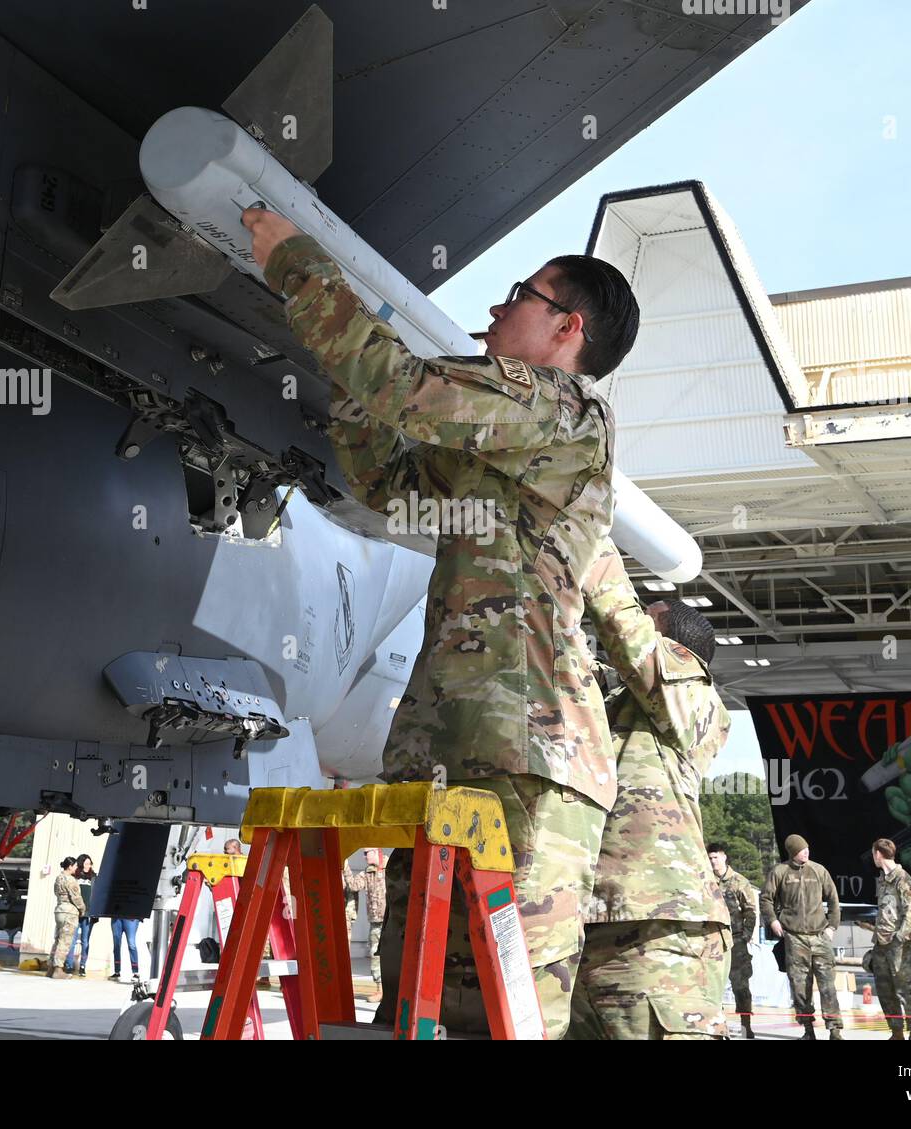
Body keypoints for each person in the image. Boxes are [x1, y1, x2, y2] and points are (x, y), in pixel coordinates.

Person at [242, 208, 639, 1039]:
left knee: (507, 1011)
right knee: (415, 1008)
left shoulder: (565, 412)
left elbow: (408, 389)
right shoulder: (498, 443)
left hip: (530, 757)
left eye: (517, 297)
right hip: (449, 752)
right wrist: (355, 378)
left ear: (568, 328)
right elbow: (386, 478)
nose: (495, 311)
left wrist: (297, 264)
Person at [569, 545, 732, 1040]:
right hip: (585, 919)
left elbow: (631, 639)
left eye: (649, 620)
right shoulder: (614, 704)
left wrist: (589, 542)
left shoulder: (693, 697)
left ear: (677, 648)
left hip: (660, 929)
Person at [760, 835, 844, 1039]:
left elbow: (833, 899)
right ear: (791, 852)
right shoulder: (780, 872)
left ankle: (834, 1029)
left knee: (827, 985)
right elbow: (765, 899)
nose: (806, 852)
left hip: (819, 936)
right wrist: (773, 920)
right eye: (801, 850)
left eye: (806, 848)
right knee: (799, 986)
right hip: (794, 938)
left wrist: (832, 926)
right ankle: (808, 1029)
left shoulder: (818, 870)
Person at [869, 837, 911, 1040]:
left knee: (906, 990)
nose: (873, 858)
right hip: (881, 944)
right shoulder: (883, 880)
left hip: (898, 945)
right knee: (885, 991)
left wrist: (901, 939)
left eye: (873, 853)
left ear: (878, 854)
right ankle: (896, 1031)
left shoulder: (903, 878)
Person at [708, 843, 759, 1039]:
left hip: (736, 941)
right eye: (710, 858)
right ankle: (719, 1030)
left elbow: (750, 911)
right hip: (713, 941)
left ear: (724, 857)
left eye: (716, 857)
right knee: (714, 986)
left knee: (741, 987)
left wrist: (746, 935)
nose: (713, 861)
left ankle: (746, 1028)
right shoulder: (706, 881)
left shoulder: (739, 881)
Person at [344, 851, 389, 1002]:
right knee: (375, 955)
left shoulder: (390, 868)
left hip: (392, 920)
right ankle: (380, 990)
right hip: (376, 922)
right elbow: (353, 885)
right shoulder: (367, 872)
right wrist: (345, 867)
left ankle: (393, 990)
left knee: (395, 955)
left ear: (376, 851)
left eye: (366, 853)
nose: (364, 857)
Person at [49, 857, 85, 980]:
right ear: (70, 866)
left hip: (59, 909)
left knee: (58, 940)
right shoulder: (70, 880)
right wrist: (82, 909)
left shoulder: (58, 878)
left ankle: (51, 968)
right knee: (65, 941)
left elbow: (56, 892)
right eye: (75, 866)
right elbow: (76, 897)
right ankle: (58, 969)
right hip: (69, 912)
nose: (76, 868)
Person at [64, 854, 98, 977]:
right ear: (81, 864)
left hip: (88, 914)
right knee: (72, 940)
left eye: (90, 863)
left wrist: (96, 913)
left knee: (85, 941)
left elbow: (97, 895)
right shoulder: (75, 876)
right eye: (86, 863)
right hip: (75, 912)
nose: (88, 866)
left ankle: (83, 965)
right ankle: (69, 965)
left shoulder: (94, 877)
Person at [110, 915, 142, 983]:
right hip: (116, 917)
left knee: (131, 944)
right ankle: (117, 972)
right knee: (116, 945)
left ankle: (135, 972)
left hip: (131, 918)